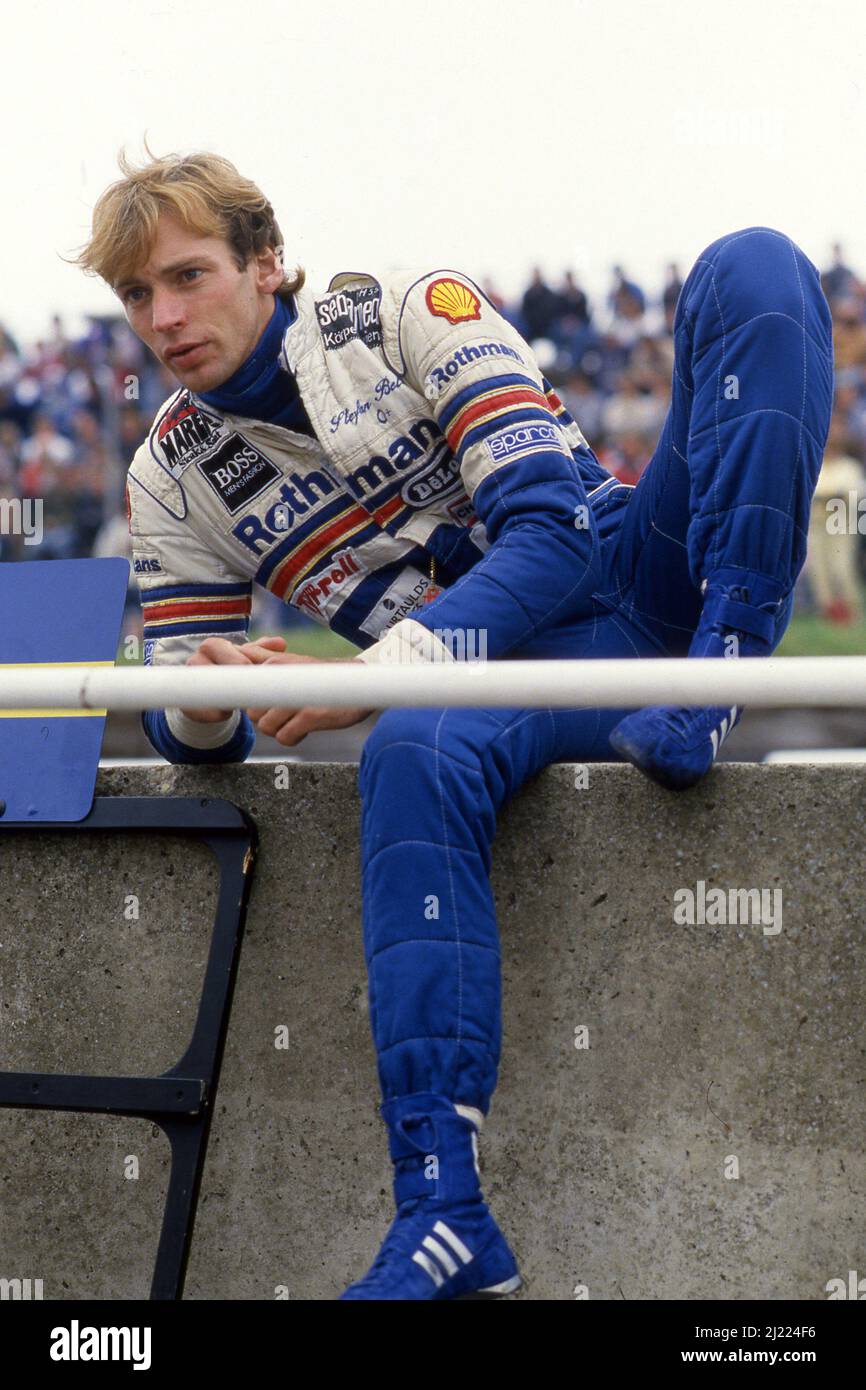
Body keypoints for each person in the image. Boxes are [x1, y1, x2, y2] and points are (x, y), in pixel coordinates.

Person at [75, 150, 834, 1299]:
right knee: (408, 749)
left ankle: (717, 670)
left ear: (266, 261)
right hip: (498, 682)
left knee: (752, 264)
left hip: (639, 569)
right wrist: (206, 691)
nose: (163, 319)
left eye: (188, 277)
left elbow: (554, 539)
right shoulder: (167, 476)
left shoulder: (404, 308)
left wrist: (379, 671)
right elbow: (192, 731)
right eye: (137, 295)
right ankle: (444, 1212)